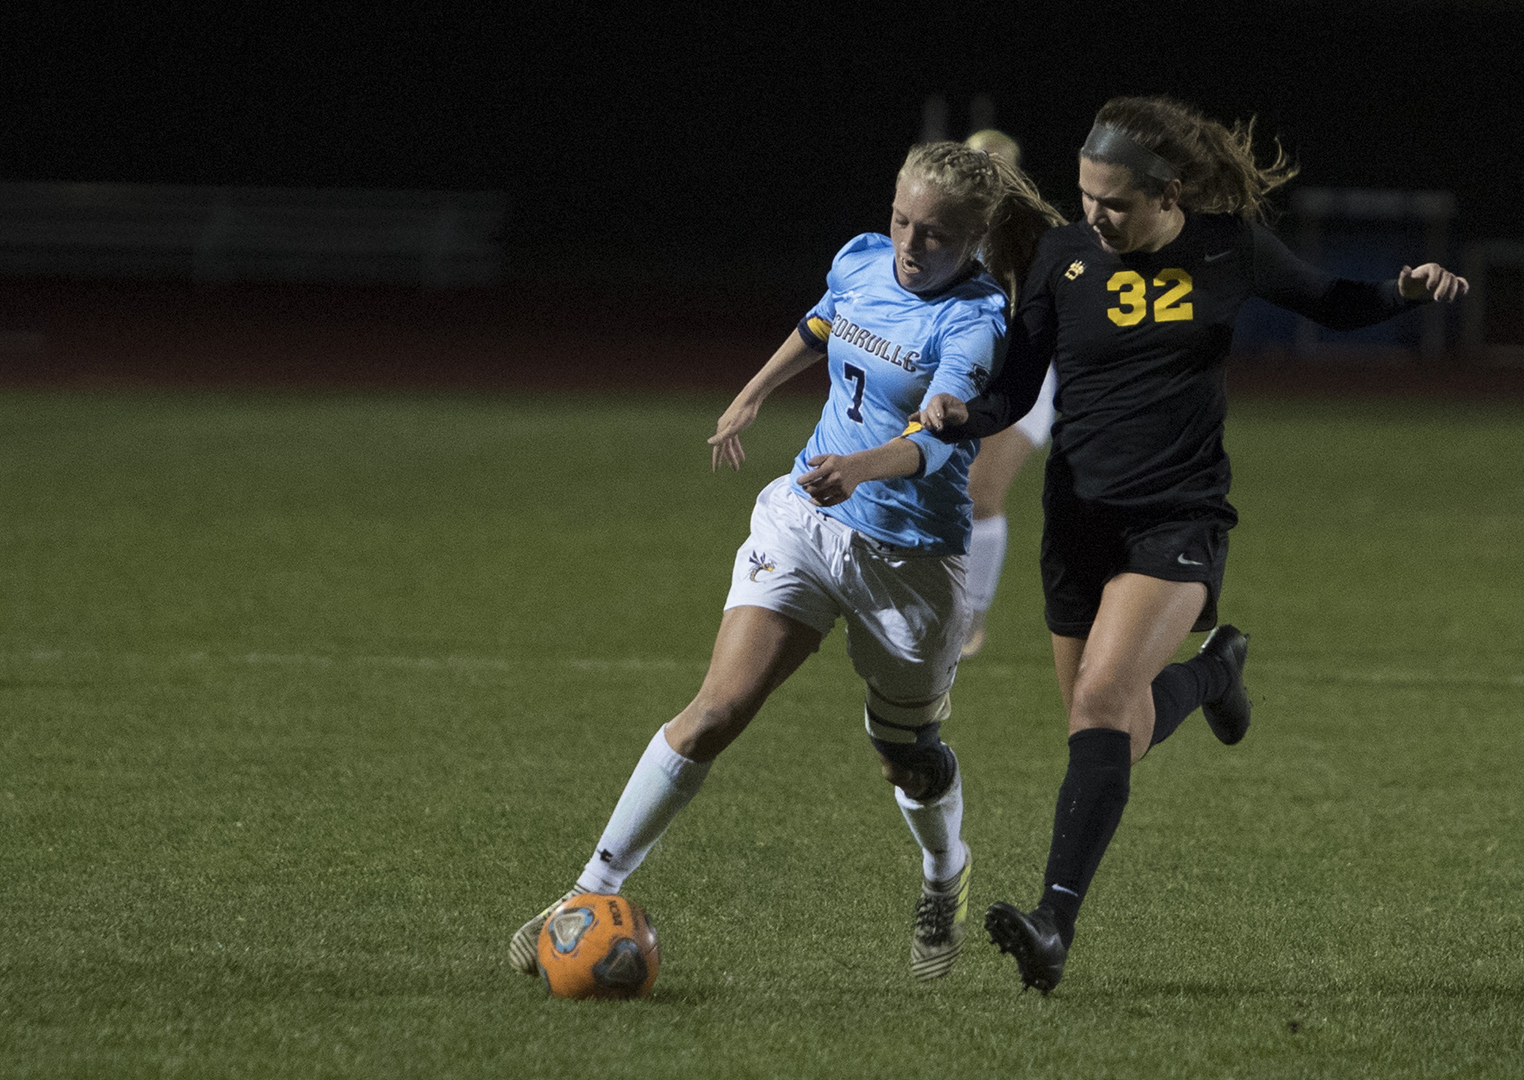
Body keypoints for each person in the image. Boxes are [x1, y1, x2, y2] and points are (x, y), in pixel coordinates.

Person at [920, 96, 1468, 994]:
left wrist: (1400, 293)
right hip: (1079, 525)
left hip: (1177, 518)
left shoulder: (1228, 246)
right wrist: (960, 417)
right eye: (1087, 196)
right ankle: (1215, 674)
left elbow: (1333, 303)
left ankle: (1054, 923)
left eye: (1115, 202)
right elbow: (1017, 391)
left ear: (1170, 192)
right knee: (1109, 731)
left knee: (1101, 699)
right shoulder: (1060, 258)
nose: (1094, 215)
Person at [507, 140, 1062, 983]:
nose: (912, 245)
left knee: (904, 752)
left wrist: (863, 466)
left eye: (938, 235)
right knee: (713, 711)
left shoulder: (976, 321)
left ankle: (944, 872)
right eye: (902, 221)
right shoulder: (864, 260)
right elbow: (824, 318)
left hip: (911, 563)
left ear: (977, 241)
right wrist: (754, 390)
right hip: (806, 519)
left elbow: (942, 449)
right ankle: (585, 891)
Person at [957, 127, 1057, 658]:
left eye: (995, 169)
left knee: (980, 491)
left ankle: (971, 616)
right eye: (975, 166)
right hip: (960, 377)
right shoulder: (947, 227)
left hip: (1024, 378)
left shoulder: (1034, 236)